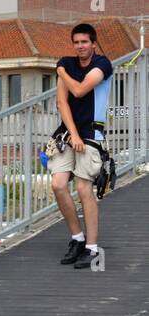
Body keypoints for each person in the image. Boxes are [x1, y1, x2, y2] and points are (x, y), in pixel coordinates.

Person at [52, 22, 114, 270]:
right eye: (76, 42)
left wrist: (60, 72)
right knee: (58, 184)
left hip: (92, 133)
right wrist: (73, 135)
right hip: (68, 133)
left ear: (93, 44)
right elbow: (61, 103)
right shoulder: (66, 63)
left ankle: (92, 248)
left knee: (83, 188)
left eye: (84, 42)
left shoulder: (102, 65)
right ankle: (77, 238)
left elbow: (77, 91)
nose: (80, 46)